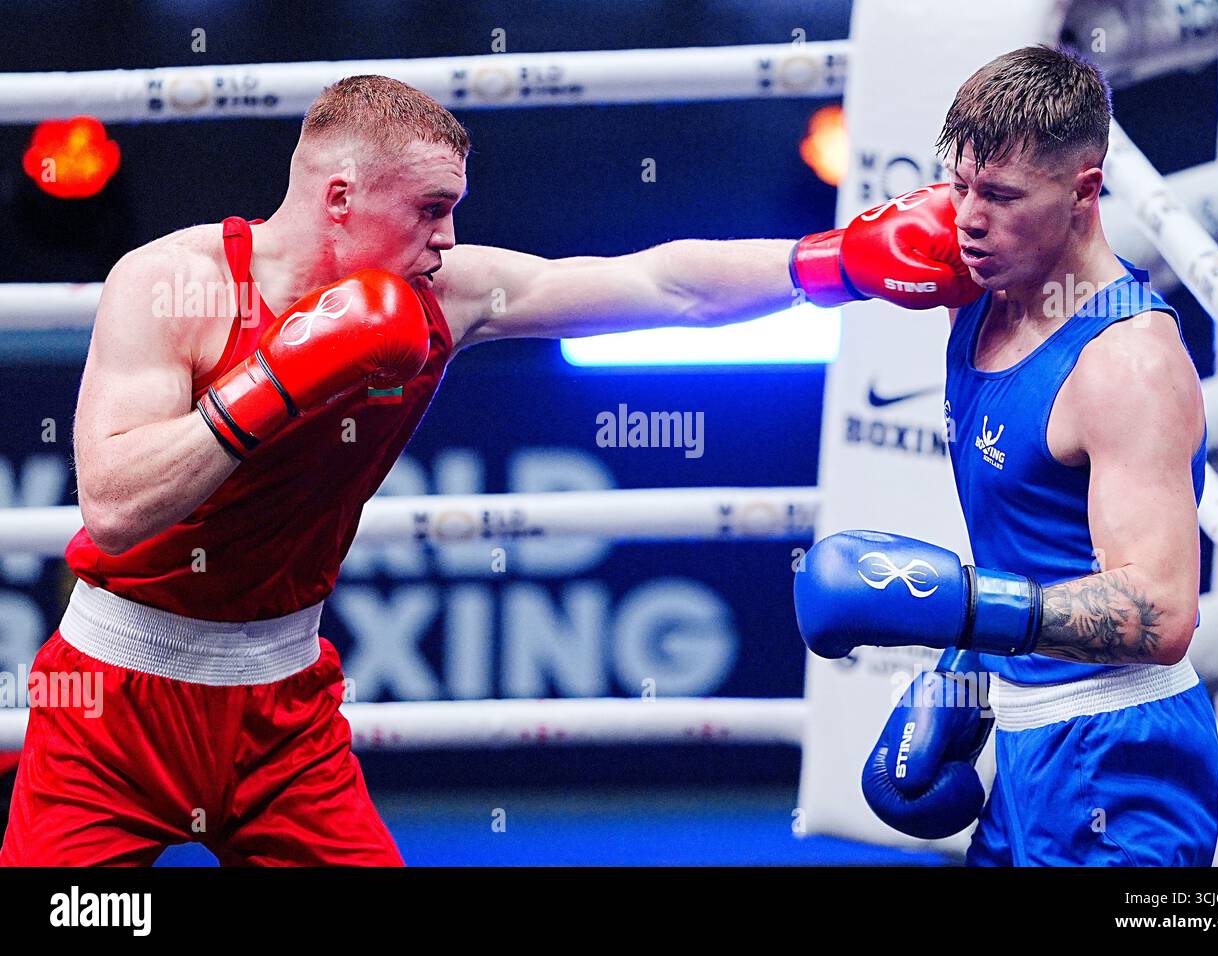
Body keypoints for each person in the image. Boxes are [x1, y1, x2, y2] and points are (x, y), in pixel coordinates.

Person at [0, 74, 977, 866]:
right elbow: (116, 507)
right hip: (114, 706)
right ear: (337, 198)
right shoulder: (174, 285)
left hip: (282, 713)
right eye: (429, 209)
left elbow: (658, 283)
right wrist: (276, 381)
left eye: (453, 210)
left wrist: (835, 259)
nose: (448, 238)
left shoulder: (447, 294)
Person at [794, 45, 1218, 865]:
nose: (967, 219)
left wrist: (961, 609)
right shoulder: (971, 293)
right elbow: (1029, 538)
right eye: (958, 186)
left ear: (1084, 193)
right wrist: (963, 666)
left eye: (1001, 195)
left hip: (1119, 757)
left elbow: (1163, 615)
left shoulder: (1126, 362)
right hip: (1026, 742)